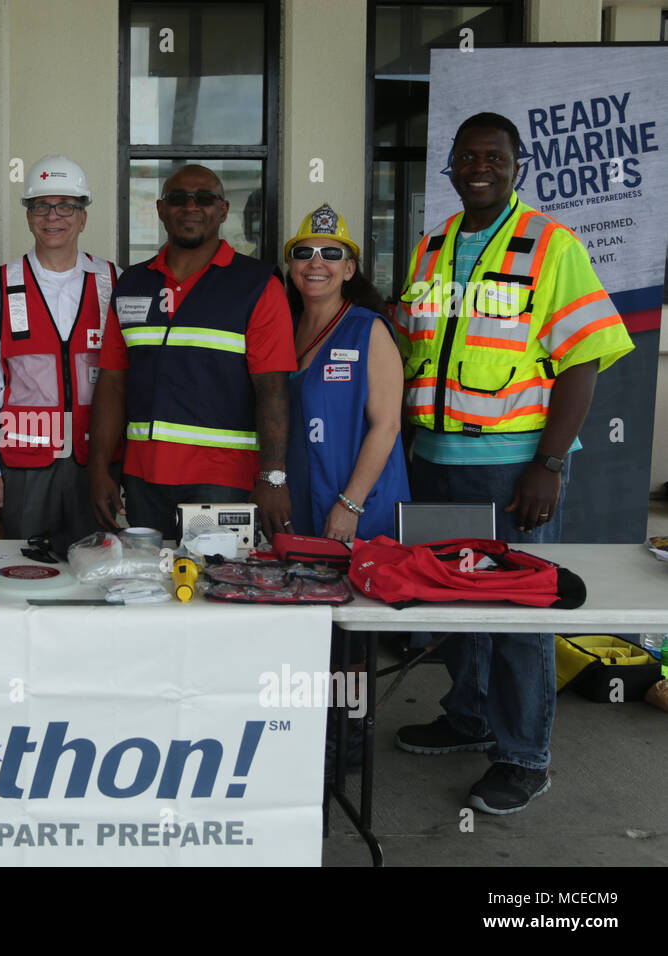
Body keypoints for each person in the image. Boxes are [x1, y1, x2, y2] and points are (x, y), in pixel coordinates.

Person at [393, 113, 634, 814]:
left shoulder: (552, 244)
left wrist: (550, 463)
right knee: (454, 596)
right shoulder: (432, 247)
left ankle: (524, 754)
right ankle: (468, 717)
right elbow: (412, 345)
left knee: (517, 608)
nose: (480, 167)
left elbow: (582, 359)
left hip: (513, 464)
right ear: (452, 166)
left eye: (494, 157)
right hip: (433, 457)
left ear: (517, 165)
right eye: (468, 156)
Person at [88, 164, 297, 542]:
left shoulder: (256, 284)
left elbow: (273, 389)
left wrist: (273, 475)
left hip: (220, 483)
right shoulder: (132, 283)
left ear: (223, 210)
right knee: (148, 585)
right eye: (178, 198)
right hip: (143, 481)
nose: (191, 206)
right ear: (160, 209)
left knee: (213, 586)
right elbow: (113, 382)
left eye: (204, 198)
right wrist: (99, 466)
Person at [0, 155, 120, 545]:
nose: (54, 216)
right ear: (29, 216)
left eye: (66, 206)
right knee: (25, 570)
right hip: (25, 467)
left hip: (98, 460)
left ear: (83, 217)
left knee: (98, 572)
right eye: (41, 206)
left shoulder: (113, 282)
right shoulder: (2, 285)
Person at [283, 202, 408, 542]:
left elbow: (387, 426)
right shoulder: (283, 331)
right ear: (291, 265)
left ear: (350, 269)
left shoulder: (369, 330)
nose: (316, 263)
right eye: (304, 252)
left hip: (359, 507)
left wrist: (350, 505)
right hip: (299, 500)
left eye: (331, 254)